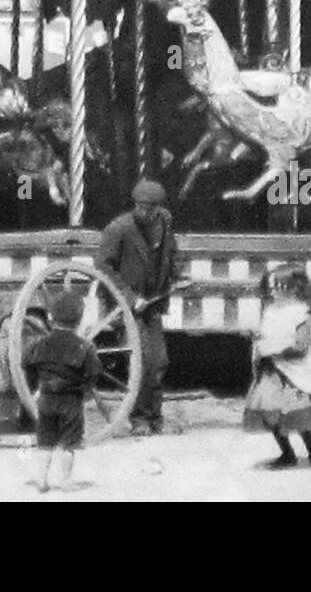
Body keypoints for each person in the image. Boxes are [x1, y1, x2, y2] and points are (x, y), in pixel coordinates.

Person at [97, 178, 178, 435]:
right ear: (135, 205)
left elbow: (170, 253)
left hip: (152, 303)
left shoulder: (165, 222)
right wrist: (131, 298)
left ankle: (155, 417)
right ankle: (139, 419)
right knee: (139, 360)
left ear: (158, 208)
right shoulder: (118, 228)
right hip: (125, 306)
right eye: (141, 207)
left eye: (150, 208)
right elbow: (103, 267)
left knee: (158, 361)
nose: (145, 212)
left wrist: (178, 276)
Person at [244, 264, 311, 468]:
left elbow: (301, 347)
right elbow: (269, 335)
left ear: (293, 288)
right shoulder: (271, 312)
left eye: (278, 286)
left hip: (293, 372)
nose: (272, 291)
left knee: (297, 416)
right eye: (270, 287)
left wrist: (274, 348)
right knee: (268, 411)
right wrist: (259, 339)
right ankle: (287, 453)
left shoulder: (303, 316)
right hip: (272, 371)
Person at [23, 291, 101, 493]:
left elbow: (27, 364)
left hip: (46, 399)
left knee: (45, 442)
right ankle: (65, 480)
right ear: (80, 319)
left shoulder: (39, 344)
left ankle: (41, 478)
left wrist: (36, 387)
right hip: (71, 401)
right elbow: (94, 372)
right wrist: (85, 391)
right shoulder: (84, 346)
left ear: (50, 318)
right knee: (70, 444)